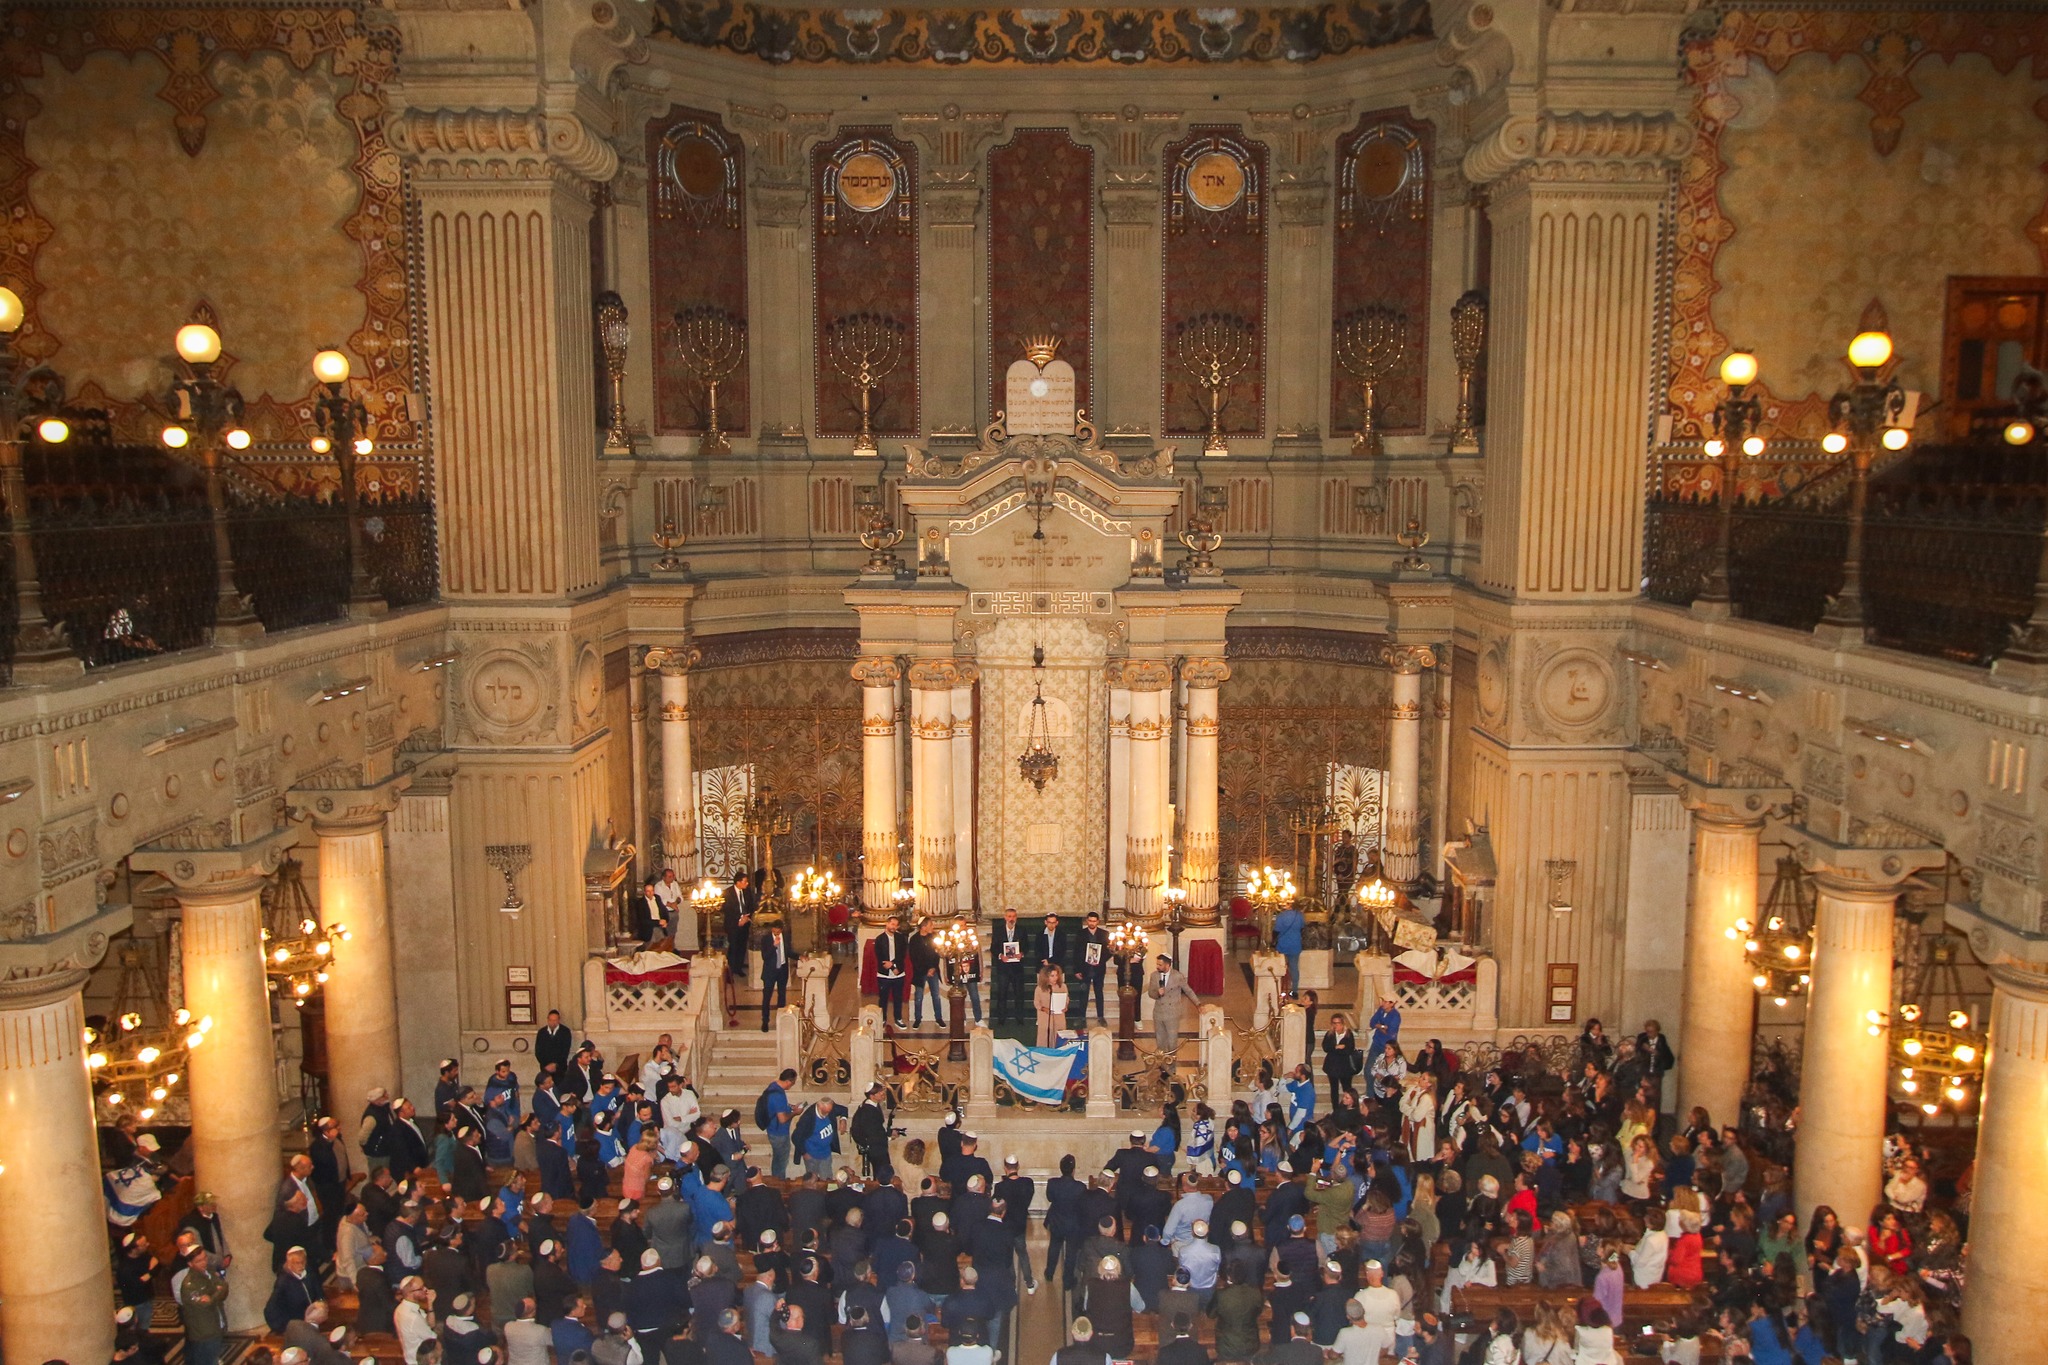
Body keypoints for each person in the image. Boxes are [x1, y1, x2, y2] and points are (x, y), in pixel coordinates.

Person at [1147, 953, 1197, 1053]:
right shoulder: (1154, 976)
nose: (1157, 967)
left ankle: (1171, 1065)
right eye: (1157, 964)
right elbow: (1150, 993)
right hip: (1159, 1013)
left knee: (1172, 1042)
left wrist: (1198, 1004)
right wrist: (1157, 993)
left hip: (1172, 1014)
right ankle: (1162, 1064)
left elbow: (1188, 991)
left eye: (1160, 965)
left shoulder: (1177, 976)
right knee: (1160, 1041)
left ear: (1167, 965)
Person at [990, 907, 1028, 1025]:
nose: (1011, 919)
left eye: (1013, 916)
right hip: (1003, 968)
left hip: (1017, 968)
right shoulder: (998, 930)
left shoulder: (1022, 930)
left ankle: (1019, 1018)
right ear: (1005, 917)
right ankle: (1001, 1019)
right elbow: (993, 948)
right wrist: (1001, 956)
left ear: (1016, 918)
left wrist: (1021, 953)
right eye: (1009, 916)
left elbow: (1026, 945)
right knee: (1002, 994)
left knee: (1019, 994)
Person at [909, 918, 946, 1027]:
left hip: (933, 970)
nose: (932, 927)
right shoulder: (914, 939)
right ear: (923, 927)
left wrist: (933, 967)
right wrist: (926, 970)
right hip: (920, 972)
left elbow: (936, 953)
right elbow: (914, 958)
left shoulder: (934, 937)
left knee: (936, 995)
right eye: (930, 925)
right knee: (919, 996)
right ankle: (917, 1018)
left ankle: (938, 1018)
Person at [875, 915, 909, 1027]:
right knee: (883, 999)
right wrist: (892, 967)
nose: (894, 927)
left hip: (899, 974)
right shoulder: (879, 939)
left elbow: (901, 955)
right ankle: (883, 1019)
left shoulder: (900, 938)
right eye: (892, 924)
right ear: (887, 924)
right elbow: (880, 957)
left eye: (896, 925)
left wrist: (894, 966)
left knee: (898, 998)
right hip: (884, 975)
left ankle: (898, 1018)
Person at [1321, 1014, 1361, 1107]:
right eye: (1334, 1023)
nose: (1336, 1025)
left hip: (1345, 1066)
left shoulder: (1348, 1034)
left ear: (1342, 1023)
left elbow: (1349, 1049)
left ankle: (1349, 1107)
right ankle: (1335, 1108)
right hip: (1332, 1066)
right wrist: (1337, 1047)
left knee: (1347, 1088)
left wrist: (1338, 1049)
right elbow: (1326, 1047)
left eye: (1338, 1023)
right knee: (1334, 1089)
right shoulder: (1329, 1034)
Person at [1079, 911, 1110, 1023]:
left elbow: (1109, 951)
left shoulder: (1104, 934)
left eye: (1094, 921)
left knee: (1099, 993)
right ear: (1087, 921)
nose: (1092, 923)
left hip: (1098, 968)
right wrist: (1077, 970)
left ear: (1097, 921)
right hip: (1085, 968)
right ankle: (1082, 1016)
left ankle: (1100, 1016)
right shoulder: (1081, 934)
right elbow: (1077, 952)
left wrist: (1099, 960)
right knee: (1083, 993)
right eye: (1090, 921)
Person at [759, 925, 790, 1031]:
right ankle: (765, 1021)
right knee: (767, 997)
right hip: (770, 972)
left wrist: (799, 957)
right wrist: (774, 946)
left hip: (782, 971)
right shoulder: (766, 939)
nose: (776, 932)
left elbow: (788, 952)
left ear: (781, 930)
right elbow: (765, 956)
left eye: (778, 930)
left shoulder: (786, 937)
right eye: (774, 930)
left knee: (782, 996)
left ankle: (780, 1020)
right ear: (772, 929)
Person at [1273, 902, 1304, 993]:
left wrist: (1272, 941)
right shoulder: (1299, 916)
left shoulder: (1281, 916)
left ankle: (1281, 989)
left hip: (1283, 945)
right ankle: (1294, 990)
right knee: (1294, 967)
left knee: (1281, 967)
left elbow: (1276, 931)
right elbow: (1302, 928)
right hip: (1295, 944)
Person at [1035, 963, 1067, 1047]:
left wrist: (1065, 1006)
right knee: (1045, 1036)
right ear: (1046, 977)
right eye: (1052, 976)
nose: (1055, 978)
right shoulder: (1039, 988)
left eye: (1056, 975)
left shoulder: (1063, 986)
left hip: (1059, 1016)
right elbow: (1036, 1003)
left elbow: (1066, 999)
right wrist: (1044, 1009)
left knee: (1058, 1035)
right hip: (1045, 1016)